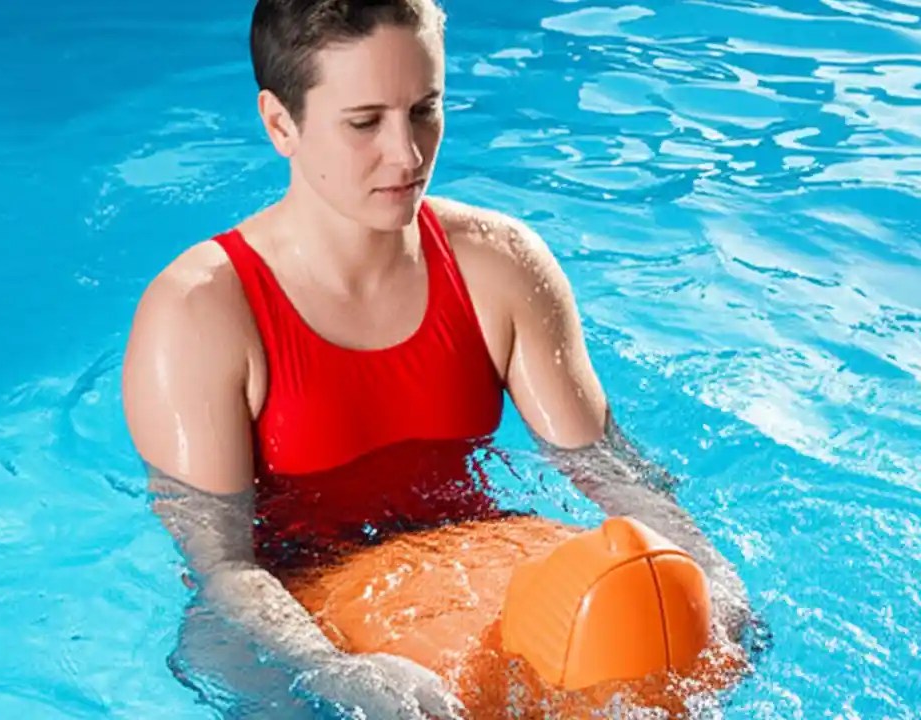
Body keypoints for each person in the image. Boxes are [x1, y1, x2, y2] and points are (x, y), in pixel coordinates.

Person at [121, 0, 753, 717]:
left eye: (424, 109)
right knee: (223, 653)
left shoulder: (499, 265)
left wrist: (710, 573)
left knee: (648, 616)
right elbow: (222, 568)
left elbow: (605, 465)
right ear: (279, 124)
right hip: (298, 608)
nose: (408, 153)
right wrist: (332, 672)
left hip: (471, 570)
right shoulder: (199, 313)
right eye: (365, 123)